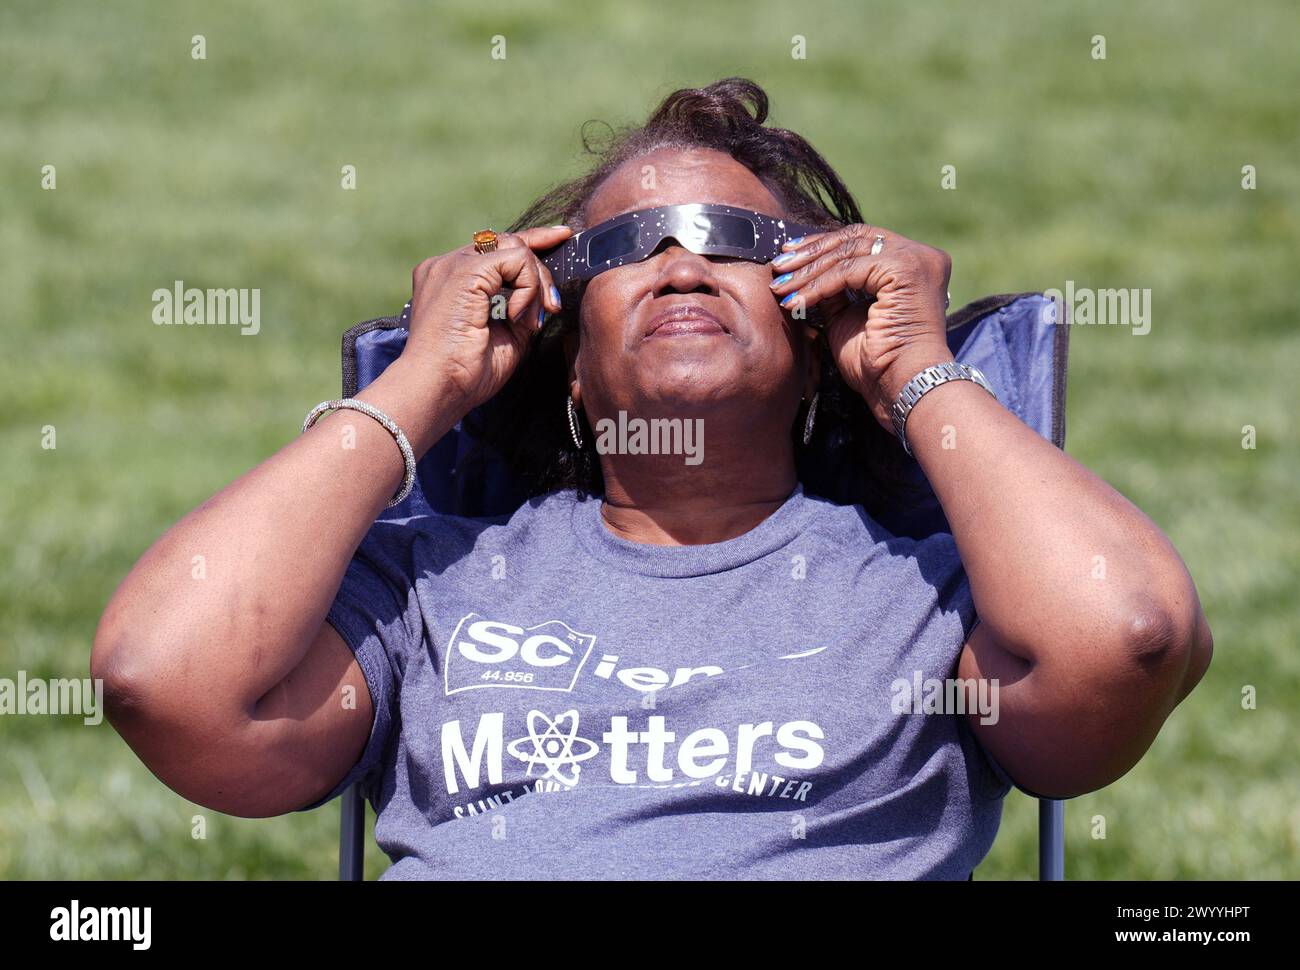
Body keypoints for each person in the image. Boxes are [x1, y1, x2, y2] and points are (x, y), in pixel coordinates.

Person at [91, 77, 1212, 880]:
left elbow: (1128, 635)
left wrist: (916, 371)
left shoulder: (931, 592)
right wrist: (418, 388)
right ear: (567, 361)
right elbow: (163, 681)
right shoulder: (434, 583)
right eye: (626, 250)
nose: (679, 261)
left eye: (734, 242)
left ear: (816, 329)